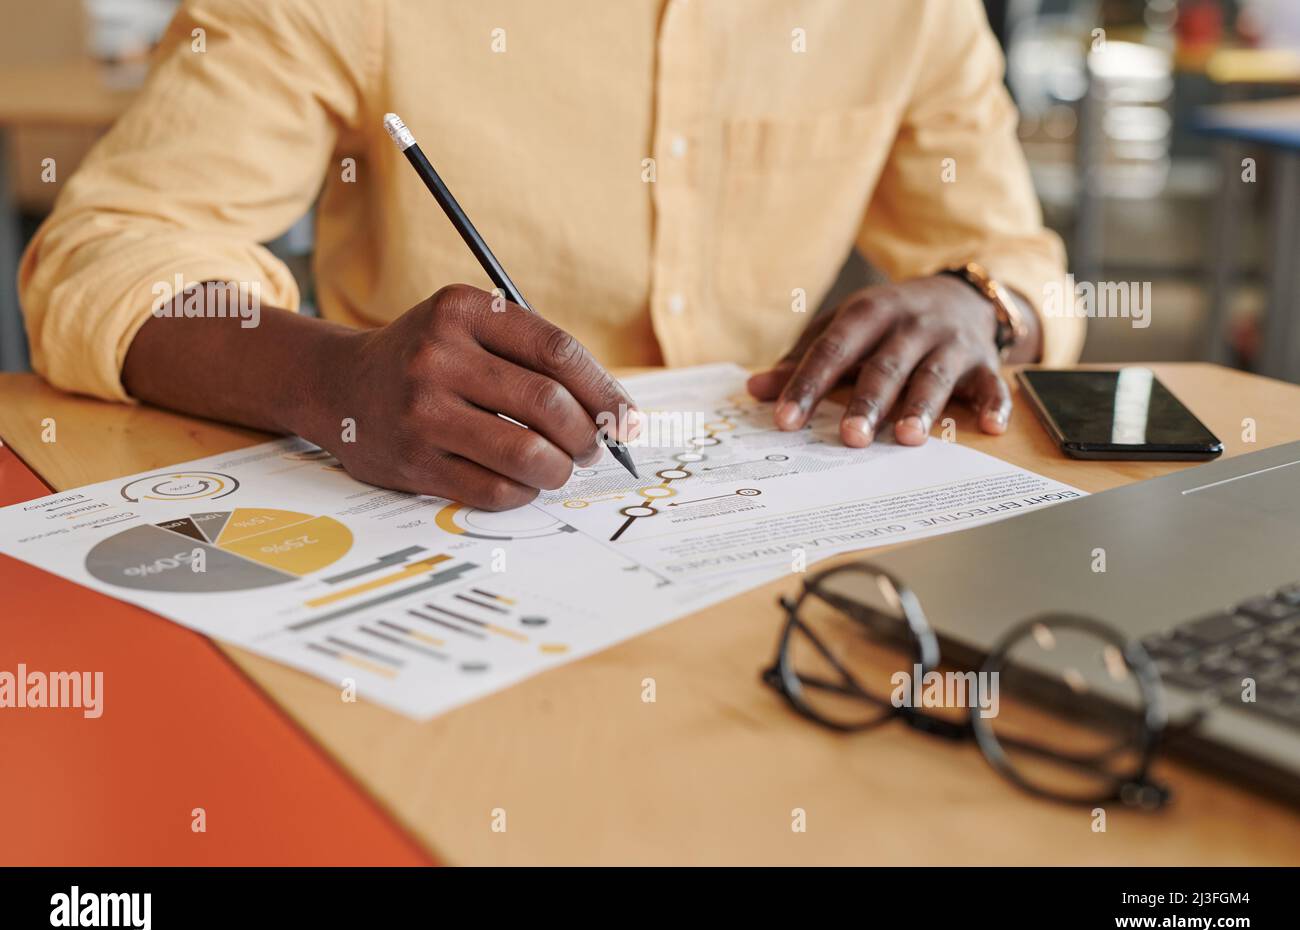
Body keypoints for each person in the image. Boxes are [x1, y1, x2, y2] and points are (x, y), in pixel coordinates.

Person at [19, 0, 1081, 510]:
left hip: (767, 540)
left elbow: (1018, 262)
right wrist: (329, 378)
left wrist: (975, 299)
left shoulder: (915, 12)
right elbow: (105, 252)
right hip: (432, 533)